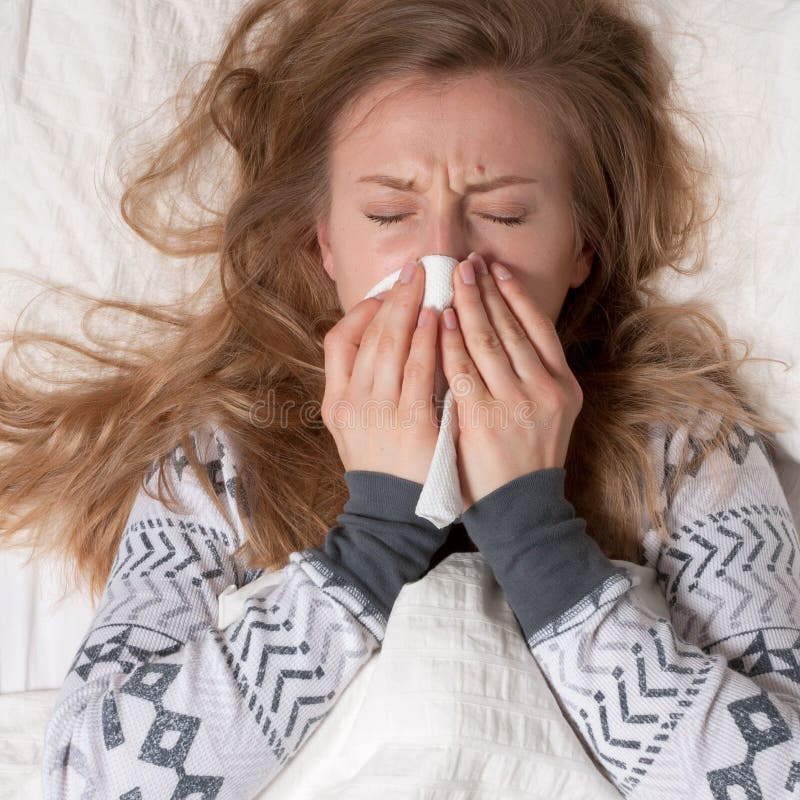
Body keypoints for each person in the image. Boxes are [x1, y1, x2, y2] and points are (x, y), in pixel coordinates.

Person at [0, 0, 796, 797]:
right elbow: (86, 779)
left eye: (505, 213)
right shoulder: (227, 453)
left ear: (581, 243)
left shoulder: (688, 446)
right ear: (326, 243)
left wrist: (537, 537)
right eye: (389, 213)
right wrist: (371, 544)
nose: (442, 261)